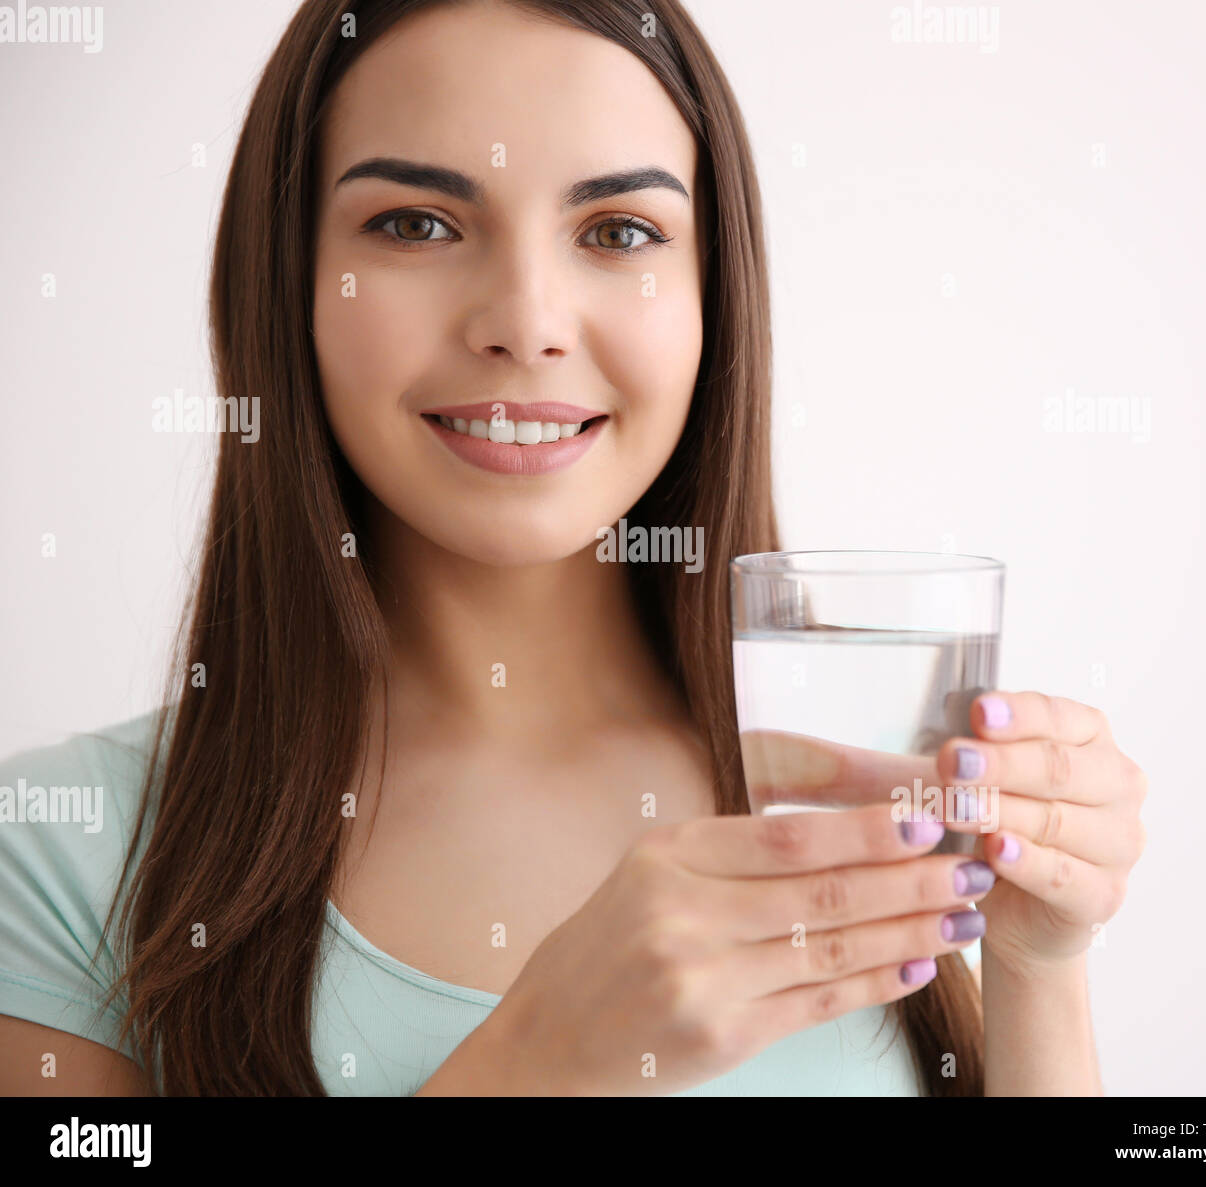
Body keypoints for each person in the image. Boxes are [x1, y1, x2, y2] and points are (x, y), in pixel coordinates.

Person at [0, 0, 1146, 1097]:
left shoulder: (853, 777)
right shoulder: (60, 855)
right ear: (286, 280)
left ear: (713, 299)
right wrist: (544, 1052)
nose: (528, 319)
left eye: (618, 232)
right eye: (416, 223)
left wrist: (1039, 967)